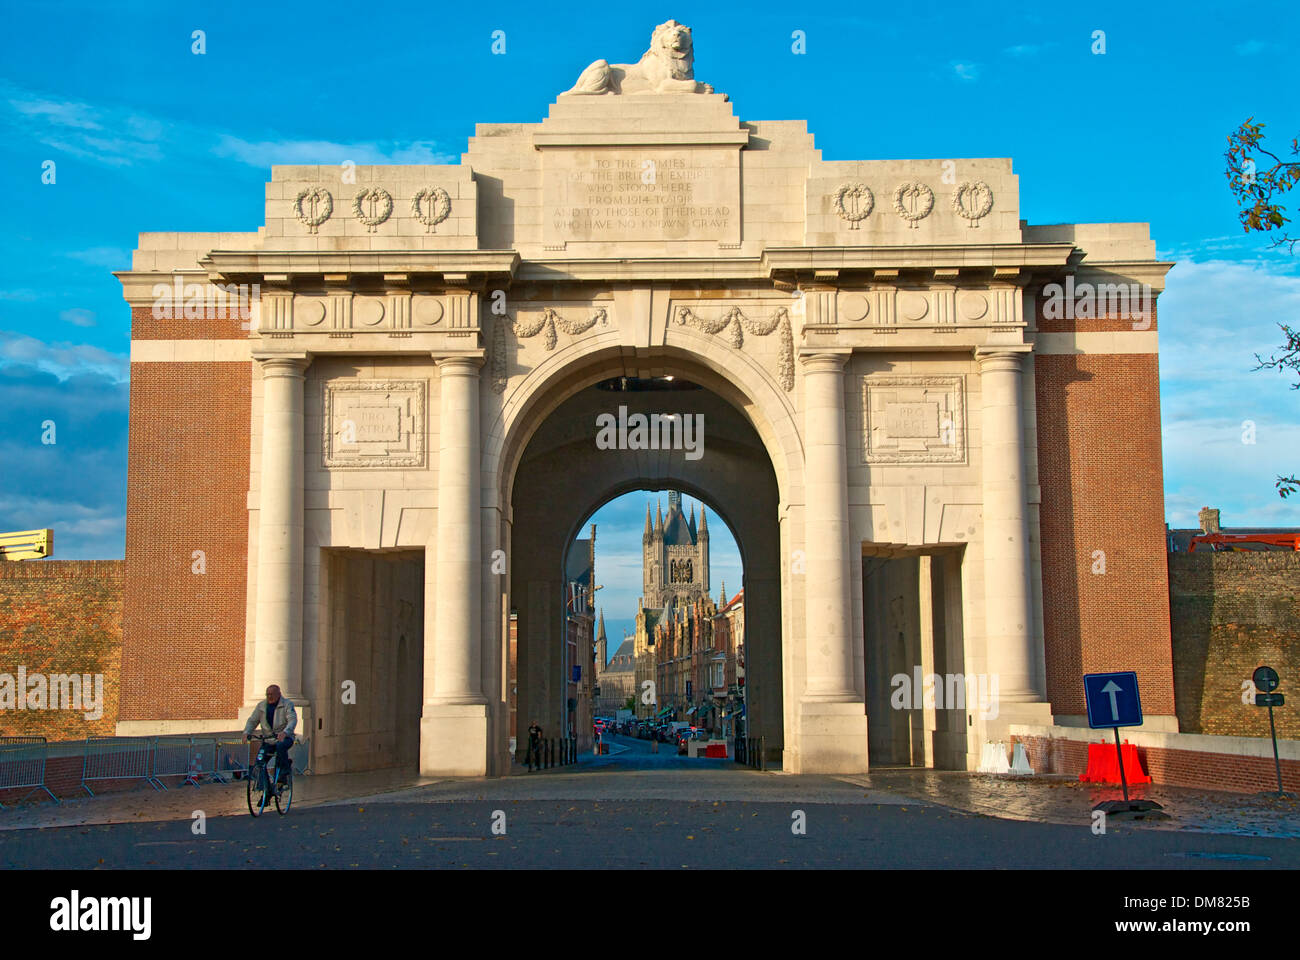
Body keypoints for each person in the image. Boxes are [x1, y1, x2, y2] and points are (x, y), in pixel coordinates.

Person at [244, 684, 296, 787]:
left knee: (281, 746)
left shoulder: (287, 704)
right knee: (259, 762)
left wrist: (285, 732)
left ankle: (283, 773)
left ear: (279, 694)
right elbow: (252, 721)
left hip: (284, 737)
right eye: (267, 694)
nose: (269, 697)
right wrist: (246, 732)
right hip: (268, 740)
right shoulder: (261, 706)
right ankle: (266, 789)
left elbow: (292, 720)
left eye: (272, 694)